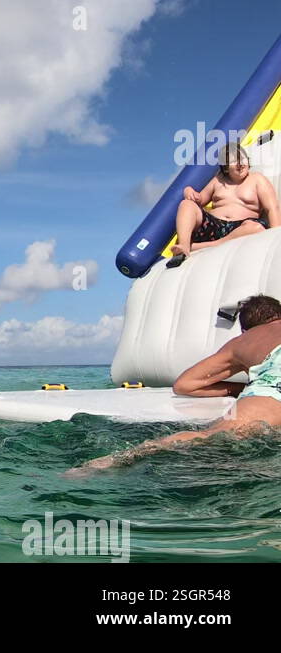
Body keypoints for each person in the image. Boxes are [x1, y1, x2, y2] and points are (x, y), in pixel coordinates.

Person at [65, 294, 281, 476]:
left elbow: (186, 384)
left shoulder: (245, 341)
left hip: (273, 381)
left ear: (245, 328)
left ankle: (105, 464)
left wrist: (239, 389)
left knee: (216, 434)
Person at [170, 142, 280, 259]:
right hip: (213, 226)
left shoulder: (257, 179)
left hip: (240, 228)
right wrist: (188, 191)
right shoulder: (218, 180)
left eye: (242, 158)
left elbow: (272, 208)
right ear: (226, 168)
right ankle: (184, 246)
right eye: (233, 161)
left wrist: (276, 237)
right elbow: (199, 200)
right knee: (186, 204)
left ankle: (202, 246)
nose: (239, 164)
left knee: (256, 228)